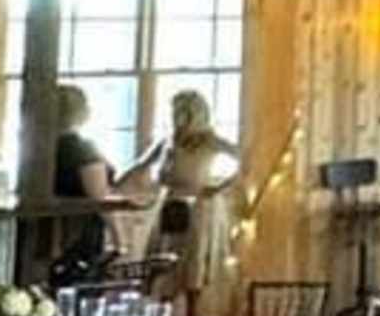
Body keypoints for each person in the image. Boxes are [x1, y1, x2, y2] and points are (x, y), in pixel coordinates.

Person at [125, 88, 243, 301]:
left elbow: (244, 160)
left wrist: (219, 186)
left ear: (193, 114)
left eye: (179, 111)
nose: (174, 116)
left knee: (194, 259)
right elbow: (141, 164)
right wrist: (115, 183)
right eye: (174, 111)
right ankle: (164, 304)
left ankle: (192, 310)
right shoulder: (168, 141)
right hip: (171, 201)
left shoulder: (210, 140)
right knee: (165, 257)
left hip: (199, 204)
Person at [48, 81, 117, 280]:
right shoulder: (83, 149)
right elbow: (99, 198)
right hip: (79, 233)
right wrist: (119, 238)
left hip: (48, 231)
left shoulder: (39, 148)